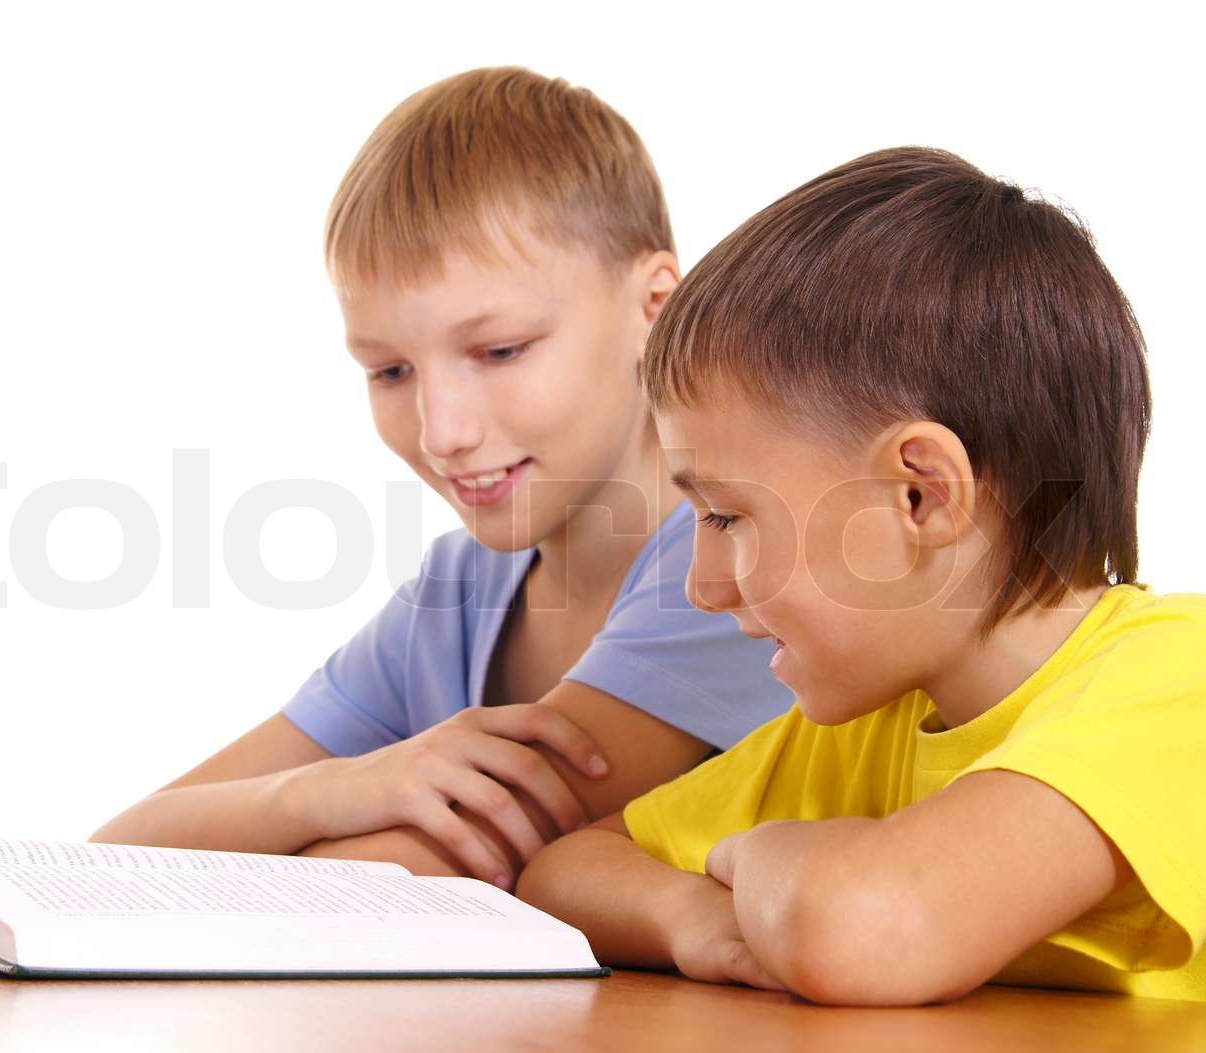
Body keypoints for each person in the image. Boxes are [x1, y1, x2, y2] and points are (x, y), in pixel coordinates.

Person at [517, 146, 1206, 1006]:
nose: (703, 585)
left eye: (728, 518)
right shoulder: (868, 722)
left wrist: (758, 854)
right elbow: (568, 869)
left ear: (921, 493)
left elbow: (864, 928)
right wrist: (688, 915)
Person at [91, 67, 795, 890]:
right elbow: (113, 855)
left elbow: (411, 878)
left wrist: (306, 818)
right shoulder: (454, 596)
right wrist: (335, 788)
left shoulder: (731, 576)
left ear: (655, 307)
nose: (441, 432)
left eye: (499, 351)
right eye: (389, 371)